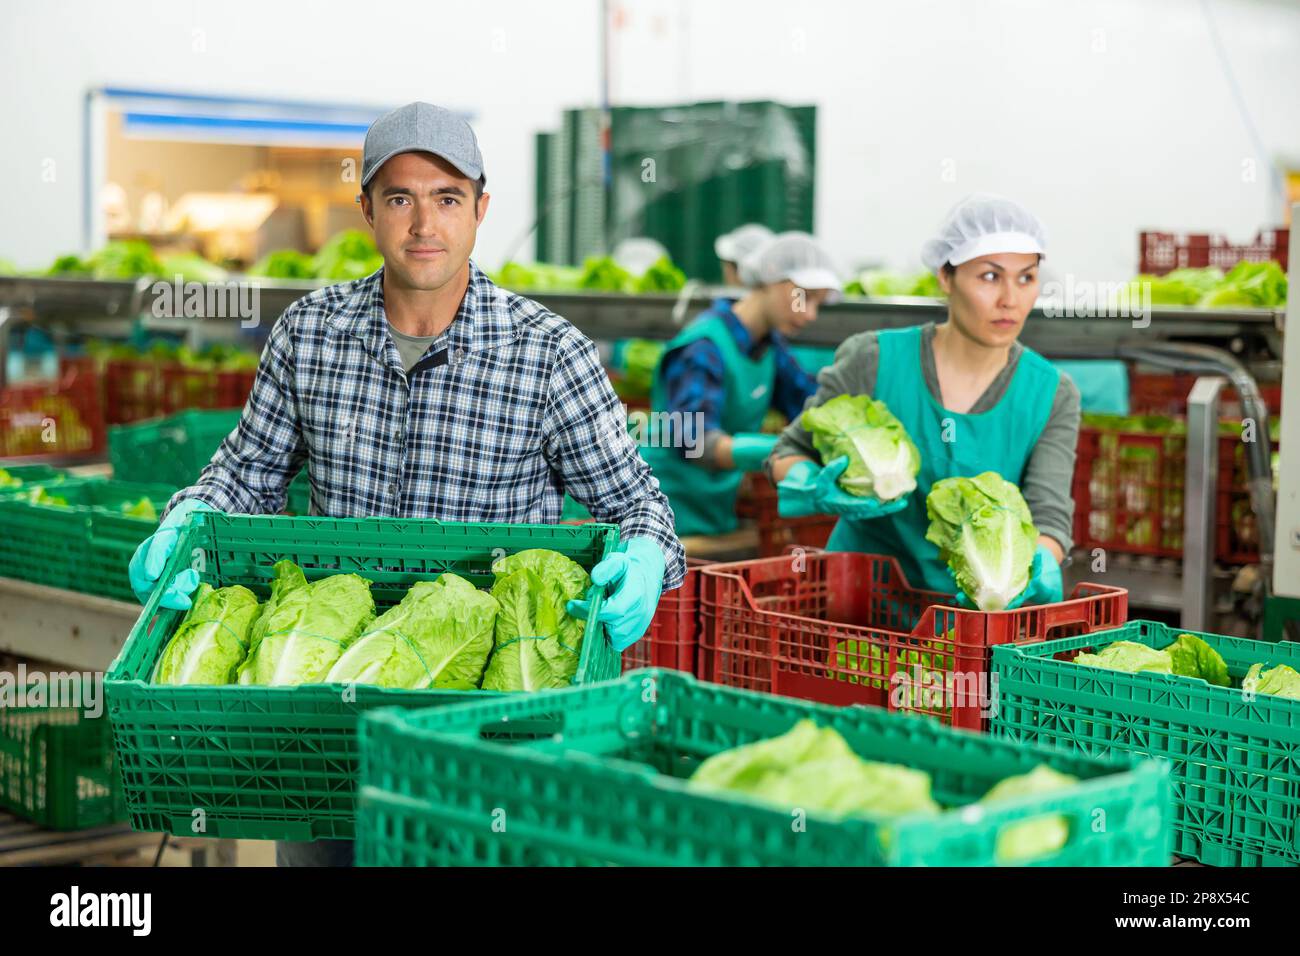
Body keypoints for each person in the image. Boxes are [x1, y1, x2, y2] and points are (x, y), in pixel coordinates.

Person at [126, 101, 687, 866]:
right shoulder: (309, 334)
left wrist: (648, 559)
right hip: (328, 713)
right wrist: (183, 523)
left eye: (448, 198)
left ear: (481, 210)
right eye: (400, 198)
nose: (425, 223)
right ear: (366, 210)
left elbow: (636, 503)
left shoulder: (549, 354)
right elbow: (244, 476)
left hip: (480, 720)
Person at [770, 194, 1080, 606]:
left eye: (1026, 278)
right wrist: (811, 483)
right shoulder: (874, 360)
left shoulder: (1051, 393)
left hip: (975, 622)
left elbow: (1049, 514)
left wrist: (1035, 562)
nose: (1010, 298)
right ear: (946, 278)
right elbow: (787, 452)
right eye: (989, 277)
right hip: (858, 606)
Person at [642, 232, 840, 537]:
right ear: (772, 279)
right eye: (805, 297)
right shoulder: (703, 347)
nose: (810, 314)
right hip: (664, 512)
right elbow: (693, 441)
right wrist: (774, 452)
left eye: (819, 304)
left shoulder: (771, 349)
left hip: (716, 512)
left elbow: (808, 404)